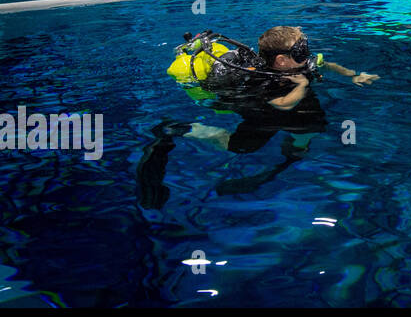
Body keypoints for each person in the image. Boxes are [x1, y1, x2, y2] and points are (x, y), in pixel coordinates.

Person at [139, 27, 377, 207]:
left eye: (305, 48)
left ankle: (297, 145)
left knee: (311, 124)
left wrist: (354, 75)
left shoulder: (299, 63)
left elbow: (326, 64)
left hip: (295, 111)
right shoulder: (263, 82)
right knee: (240, 147)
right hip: (261, 114)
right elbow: (283, 105)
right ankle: (182, 128)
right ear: (281, 60)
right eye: (301, 51)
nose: (307, 55)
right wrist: (302, 86)